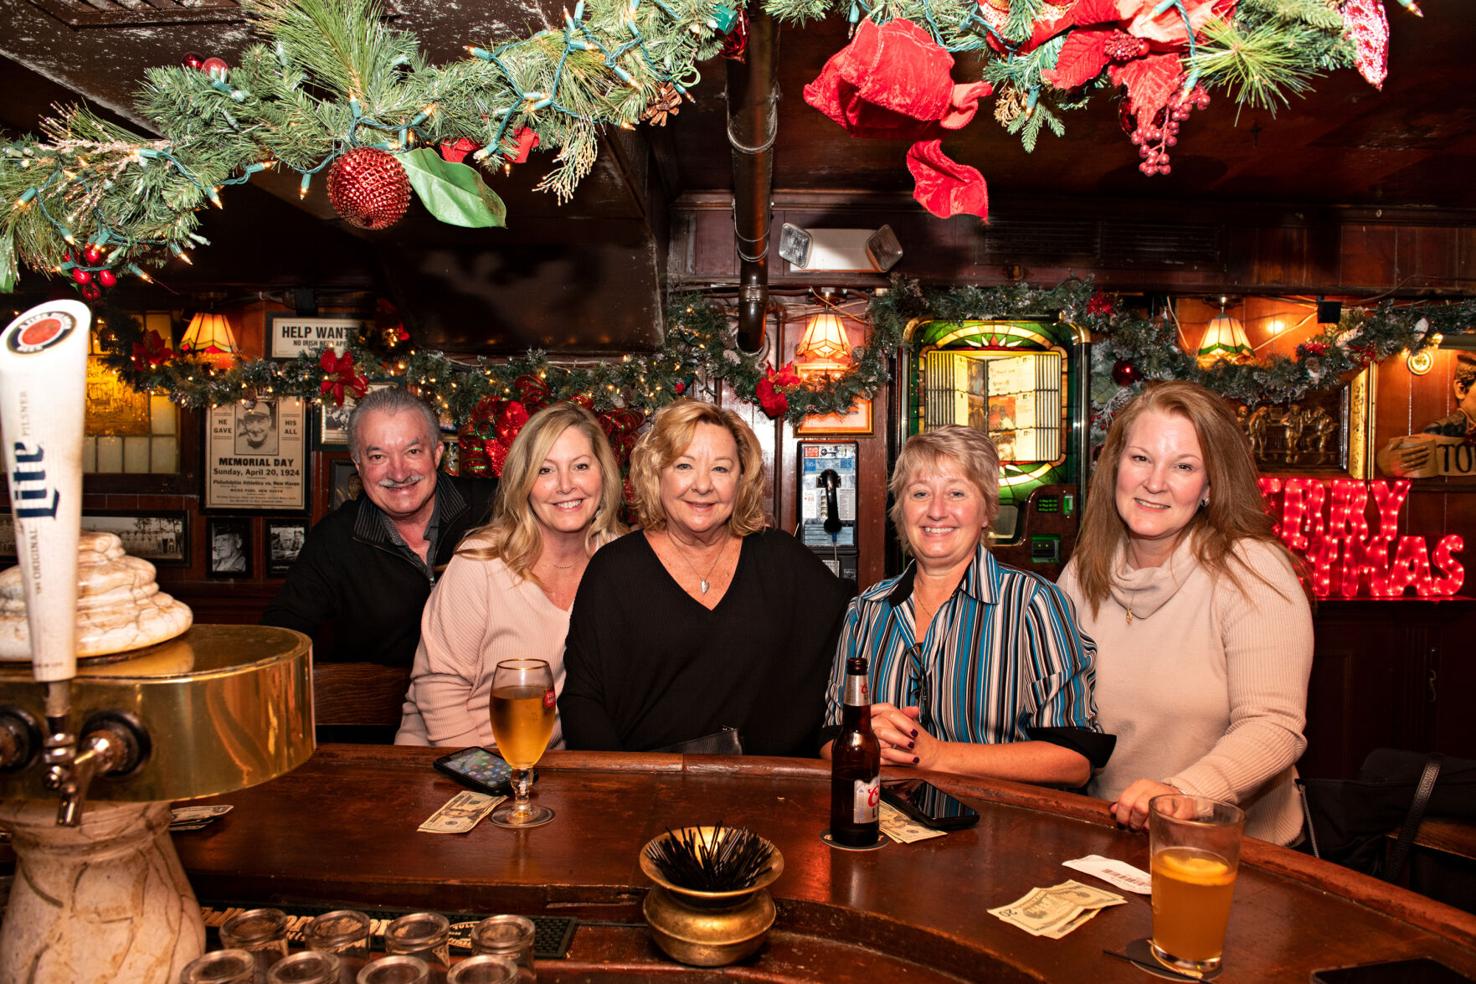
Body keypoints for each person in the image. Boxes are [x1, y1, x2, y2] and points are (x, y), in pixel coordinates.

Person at [1057, 381, 1313, 845]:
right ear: (1115, 464)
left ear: (1211, 485)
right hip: (1109, 836)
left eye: (1184, 466)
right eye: (1140, 458)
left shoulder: (1252, 570)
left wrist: (1182, 792)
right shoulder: (1085, 570)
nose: (1155, 482)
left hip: (1232, 849)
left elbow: (1274, 726)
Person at [559, 400, 852, 756]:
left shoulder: (782, 561)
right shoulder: (613, 571)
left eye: (720, 469)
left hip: (763, 791)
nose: (702, 485)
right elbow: (582, 701)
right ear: (657, 474)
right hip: (648, 790)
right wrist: (619, 787)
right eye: (684, 465)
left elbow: (854, 627)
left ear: (741, 479)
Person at [820, 426, 1110, 785]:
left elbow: (1074, 761)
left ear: (987, 510)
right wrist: (862, 743)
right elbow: (829, 740)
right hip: (883, 829)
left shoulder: (1034, 604)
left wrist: (939, 755)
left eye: (956, 493)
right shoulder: (864, 610)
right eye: (920, 493)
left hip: (996, 832)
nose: (936, 511)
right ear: (902, 510)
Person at [396, 403, 625, 747]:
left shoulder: (618, 560)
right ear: (523, 482)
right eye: (545, 470)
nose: (565, 485)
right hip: (446, 758)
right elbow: (438, 686)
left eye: (580, 466)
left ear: (603, 474)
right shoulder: (481, 562)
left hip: (538, 768)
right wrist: (481, 774)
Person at [262, 388, 495, 666]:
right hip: (376, 706)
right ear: (358, 465)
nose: (398, 473)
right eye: (378, 457)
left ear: (436, 454)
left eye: (412, 451)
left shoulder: (493, 509)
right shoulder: (335, 539)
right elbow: (281, 635)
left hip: (491, 702)